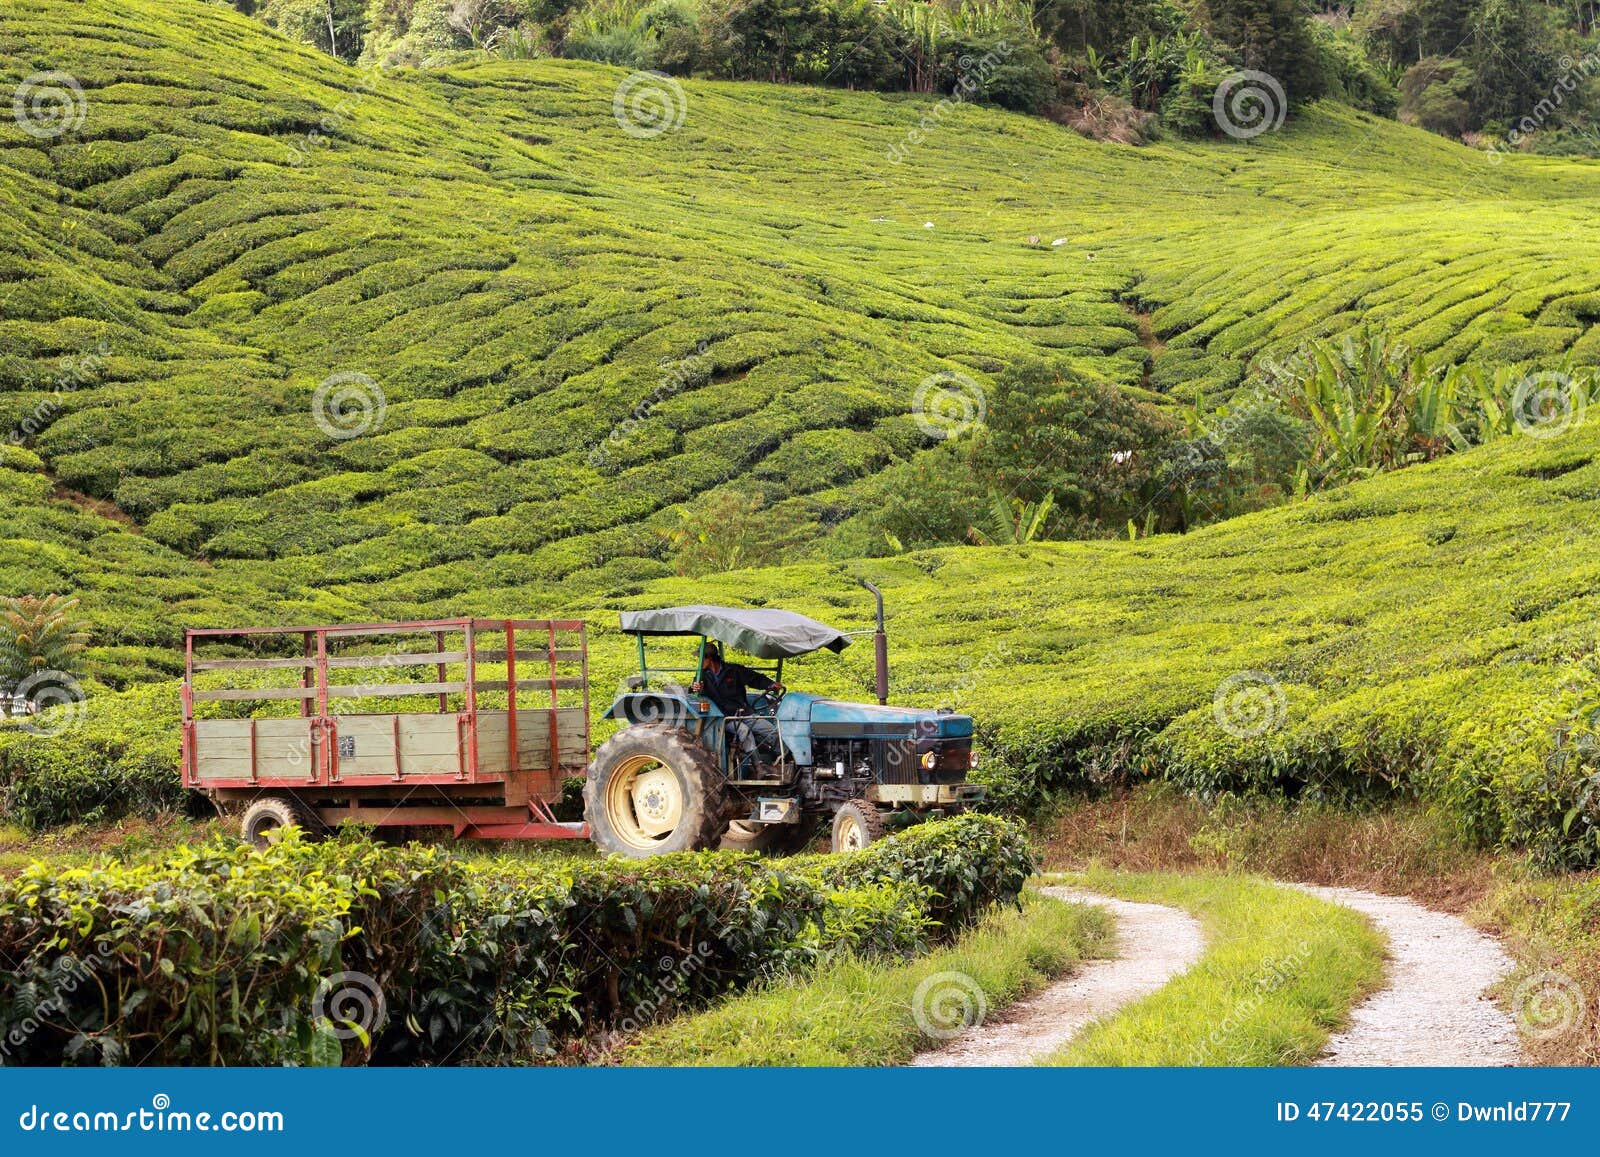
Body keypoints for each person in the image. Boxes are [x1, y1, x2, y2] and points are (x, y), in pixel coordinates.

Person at [691, 642, 783, 771]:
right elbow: (694, 690)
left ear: (708, 658)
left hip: (743, 713)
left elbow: (754, 678)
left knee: (770, 730)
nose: (698, 661)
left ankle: (784, 759)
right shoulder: (701, 676)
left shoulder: (733, 670)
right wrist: (695, 688)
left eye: (700, 658)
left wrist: (770, 684)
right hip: (723, 718)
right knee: (744, 731)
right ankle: (758, 767)